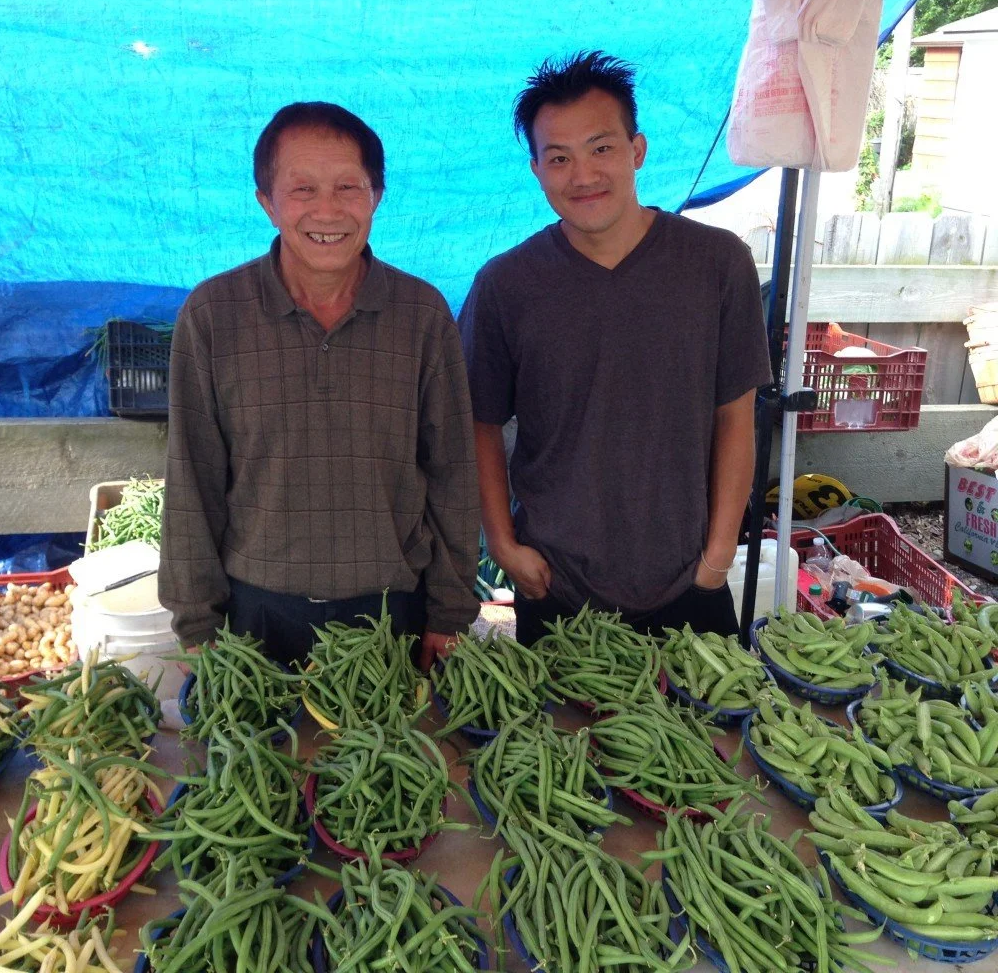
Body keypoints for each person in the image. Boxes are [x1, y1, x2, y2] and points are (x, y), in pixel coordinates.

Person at [458, 51, 772, 647]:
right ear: (536, 169)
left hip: (688, 582)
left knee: (705, 737)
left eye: (601, 148)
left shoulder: (716, 263)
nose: (582, 175)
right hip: (557, 584)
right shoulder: (506, 284)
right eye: (559, 158)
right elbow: (479, 423)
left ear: (637, 150)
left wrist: (716, 558)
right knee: (560, 740)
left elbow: (736, 416)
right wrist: (503, 545)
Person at [159, 102, 481, 670]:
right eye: (302, 188)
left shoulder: (422, 315)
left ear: (376, 196)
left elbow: (452, 474)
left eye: (348, 187)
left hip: (390, 612)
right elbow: (192, 478)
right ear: (267, 202)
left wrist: (450, 612)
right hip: (255, 614)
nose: (327, 210)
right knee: (263, 756)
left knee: (389, 754)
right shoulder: (213, 315)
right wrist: (196, 622)